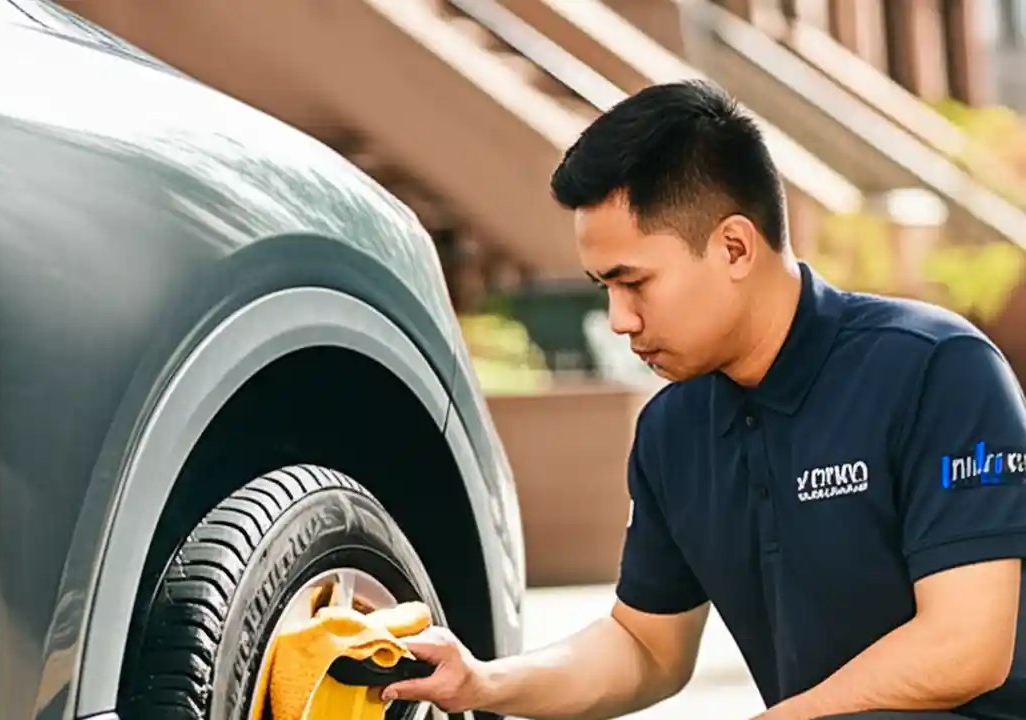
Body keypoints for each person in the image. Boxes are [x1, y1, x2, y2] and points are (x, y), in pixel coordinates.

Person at [383, 79, 1026, 719]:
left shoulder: (939, 370)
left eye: (633, 283)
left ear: (735, 247)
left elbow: (966, 646)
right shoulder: (674, 428)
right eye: (603, 288)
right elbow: (646, 646)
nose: (618, 320)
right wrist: (484, 682)